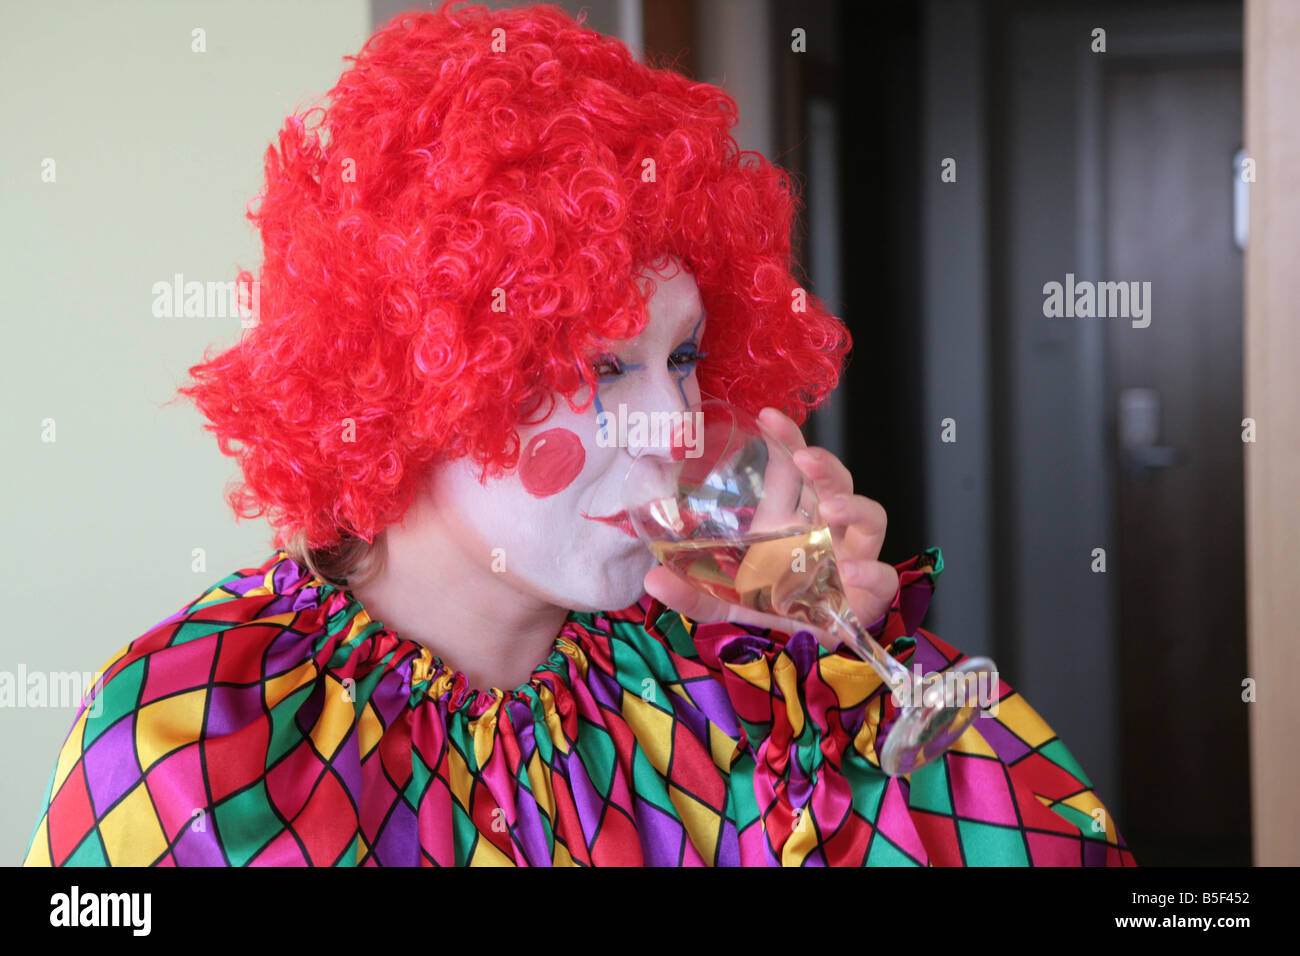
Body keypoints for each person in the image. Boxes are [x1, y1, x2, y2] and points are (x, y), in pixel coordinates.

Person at [22, 1, 1134, 867]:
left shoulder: (721, 662)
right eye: (602, 367)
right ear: (422, 376)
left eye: (684, 356)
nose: (675, 422)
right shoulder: (197, 730)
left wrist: (828, 674)